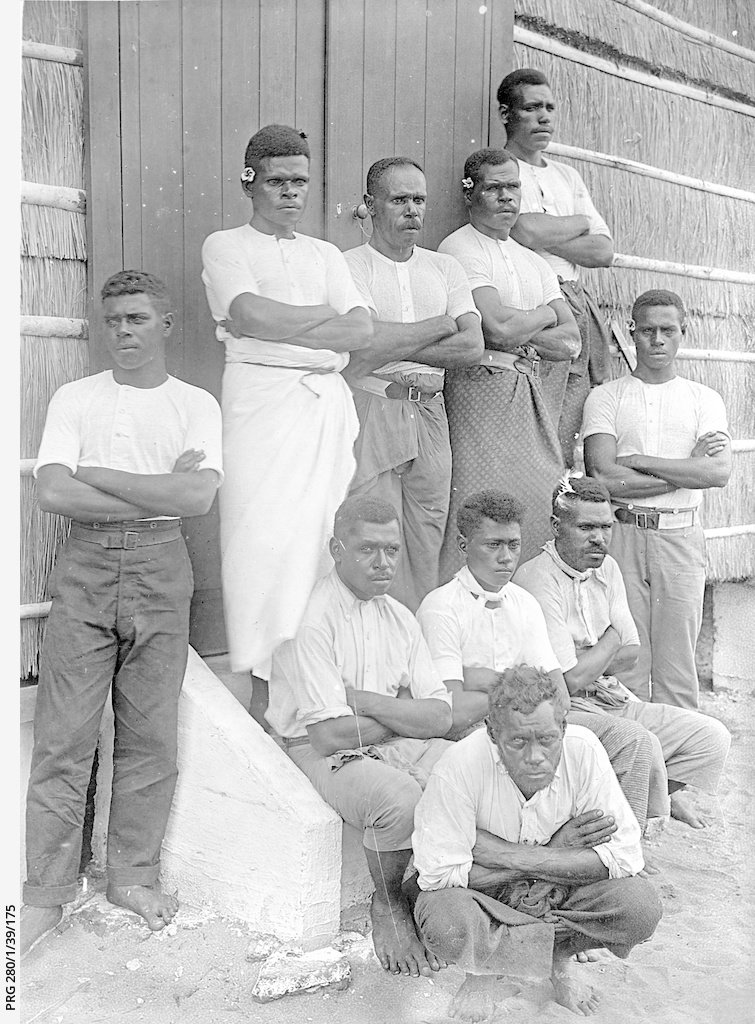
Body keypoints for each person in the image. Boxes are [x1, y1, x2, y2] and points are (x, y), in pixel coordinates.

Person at [23, 271, 223, 954]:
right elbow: (53, 492)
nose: (124, 332)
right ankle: (46, 892)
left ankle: (130, 877)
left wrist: (98, 474)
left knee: (150, 736)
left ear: (166, 324)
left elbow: (195, 499)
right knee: (63, 736)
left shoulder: (195, 405)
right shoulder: (75, 399)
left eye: (138, 319)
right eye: (113, 320)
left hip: (163, 565)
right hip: (85, 566)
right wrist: (154, 488)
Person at [200, 124, 373, 725]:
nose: (291, 193)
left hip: (321, 408)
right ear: (250, 182)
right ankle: (257, 687)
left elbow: (361, 331)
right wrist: (323, 320)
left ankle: (309, 692)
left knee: (317, 542)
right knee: (257, 541)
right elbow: (246, 313)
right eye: (277, 181)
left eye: (300, 181)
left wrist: (288, 327)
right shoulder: (226, 245)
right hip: (260, 406)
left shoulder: (324, 255)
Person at [267, 495, 453, 979]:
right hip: (312, 753)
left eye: (392, 550)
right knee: (397, 798)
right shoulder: (312, 616)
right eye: (368, 549)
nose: (383, 562)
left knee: (471, 765)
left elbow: (439, 716)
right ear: (337, 549)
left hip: (383, 740)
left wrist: (367, 702)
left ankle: (432, 896)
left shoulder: (399, 616)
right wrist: (404, 716)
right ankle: (389, 906)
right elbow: (328, 735)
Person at [412, 666, 662, 1020]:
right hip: (488, 900)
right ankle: (482, 972)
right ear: (493, 733)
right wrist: (559, 851)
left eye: (546, 739)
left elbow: (623, 857)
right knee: (445, 921)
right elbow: (439, 877)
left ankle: (558, 963)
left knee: (638, 906)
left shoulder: (583, 749)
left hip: (554, 889)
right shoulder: (459, 765)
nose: (534, 756)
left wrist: (506, 854)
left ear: (562, 728)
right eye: (517, 742)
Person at [417, 489, 659, 833]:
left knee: (631, 738)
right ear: (462, 545)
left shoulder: (524, 603)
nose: (506, 558)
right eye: (493, 545)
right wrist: (515, 690)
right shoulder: (441, 607)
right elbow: (451, 712)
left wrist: (485, 680)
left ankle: (623, 846)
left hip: (533, 721)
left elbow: (558, 694)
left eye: (513, 545)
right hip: (476, 730)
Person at [514, 474, 731, 829]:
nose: (599, 538)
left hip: (610, 697)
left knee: (711, 738)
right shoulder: (539, 578)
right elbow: (569, 680)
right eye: (586, 527)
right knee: (639, 742)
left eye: (605, 526)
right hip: (560, 709)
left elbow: (633, 652)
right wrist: (612, 639)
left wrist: (598, 655)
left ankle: (643, 802)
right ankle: (629, 834)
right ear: (556, 526)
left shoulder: (608, 568)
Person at [343, 157, 483, 610]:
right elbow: (361, 351)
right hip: (374, 406)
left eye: (418, 200)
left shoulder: (444, 269)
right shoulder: (349, 266)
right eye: (399, 199)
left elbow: (471, 349)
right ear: (369, 206)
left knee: (427, 532)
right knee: (371, 532)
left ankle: (415, 644)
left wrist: (392, 340)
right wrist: (442, 323)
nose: (412, 211)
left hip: (430, 411)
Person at [582, 290, 732, 709]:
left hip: (680, 539)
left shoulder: (704, 399)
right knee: (624, 657)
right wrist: (685, 469)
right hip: (623, 537)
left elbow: (716, 473)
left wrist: (642, 462)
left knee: (678, 668)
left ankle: (678, 771)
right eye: (647, 330)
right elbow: (604, 476)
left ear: (683, 332)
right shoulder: (607, 396)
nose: (658, 340)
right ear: (632, 333)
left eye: (668, 330)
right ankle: (632, 764)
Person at [437, 147, 580, 577]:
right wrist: (542, 316)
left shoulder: (532, 261)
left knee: (537, 496)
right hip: (477, 391)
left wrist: (522, 331)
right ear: (470, 194)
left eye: (513, 187)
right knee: (480, 502)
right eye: (493, 188)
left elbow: (571, 340)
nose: (506, 197)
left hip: (527, 393)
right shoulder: (460, 247)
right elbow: (495, 328)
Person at [499, 68, 614, 466]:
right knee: (537, 414)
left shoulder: (567, 174)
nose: (544, 117)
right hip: (540, 301)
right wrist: (579, 223)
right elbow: (525, 230)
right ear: (506, 114)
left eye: (549, 107)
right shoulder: (501, 169)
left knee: (572, 419)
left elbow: (603, 251)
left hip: (577, 300)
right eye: (531, 108)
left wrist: (552, 232)